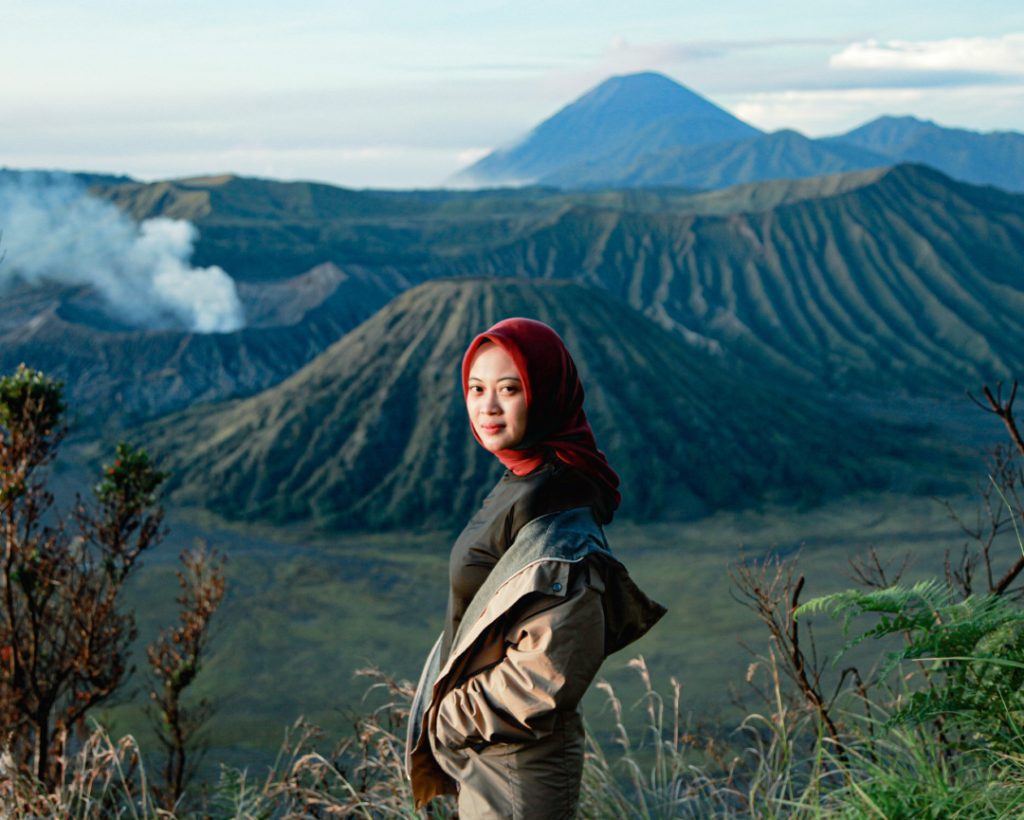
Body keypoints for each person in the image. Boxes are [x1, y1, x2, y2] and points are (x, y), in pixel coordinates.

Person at [405, 317, 666, 819]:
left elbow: (549, 669)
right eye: (476, 388)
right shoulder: (525, 480)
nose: (488, 406)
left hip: (516, 761)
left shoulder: (559, 507)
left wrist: (450, 718)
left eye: (510, 388)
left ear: (545, 394)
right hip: (492, 747)